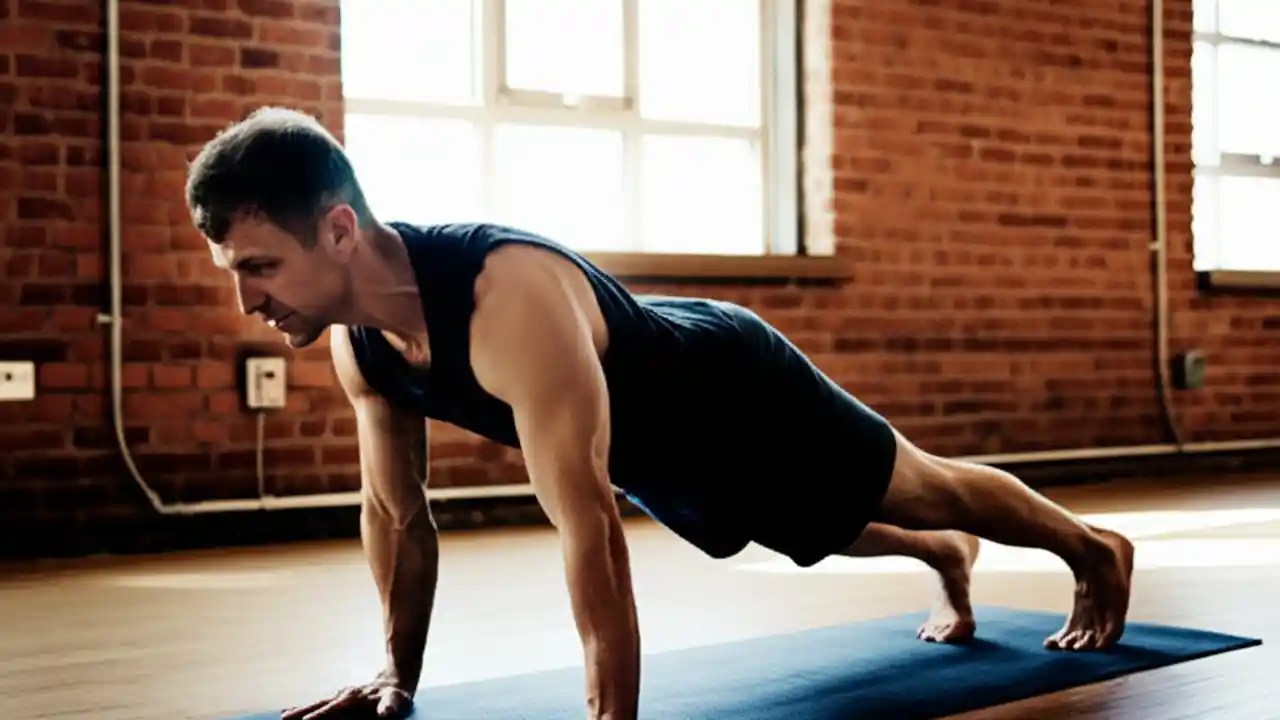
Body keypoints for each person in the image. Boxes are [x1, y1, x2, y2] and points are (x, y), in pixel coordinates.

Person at [185, 107, 1135, 720]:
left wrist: (611, 719)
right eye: (236, 275)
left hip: (737, 389)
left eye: (260, 268)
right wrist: (398, 677)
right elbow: (397, 516)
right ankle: (939, 558)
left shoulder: (503, 298)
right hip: (659, 449)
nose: (248, 303)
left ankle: (1090, 550)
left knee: (925, 487)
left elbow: (587, 525)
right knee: (800, 529)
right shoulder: (360, 343)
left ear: (339, 229)